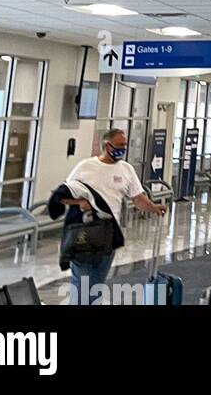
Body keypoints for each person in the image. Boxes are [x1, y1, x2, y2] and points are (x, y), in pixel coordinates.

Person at [54, 128, 166, 305]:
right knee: (82, 286)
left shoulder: (126, 170)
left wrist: (153, 207)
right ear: (108, 146)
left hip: (107, 235)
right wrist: (80, 203)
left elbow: (138, 198)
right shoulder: (85, 167)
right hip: (83, 234)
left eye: (125, 145)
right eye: (120, 145)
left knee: (96, 286)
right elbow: (61, 196)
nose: (124, 149)